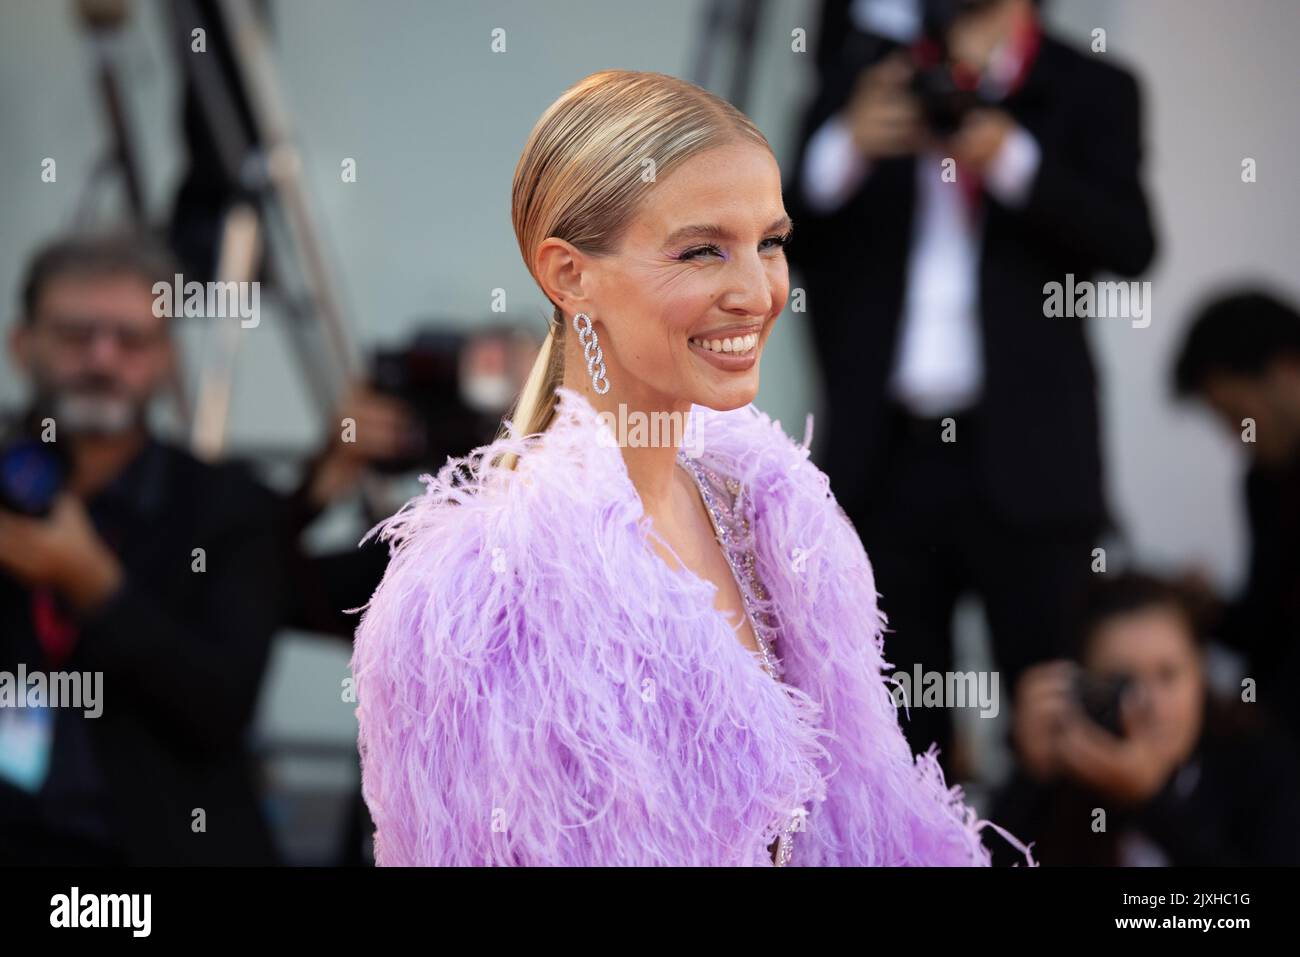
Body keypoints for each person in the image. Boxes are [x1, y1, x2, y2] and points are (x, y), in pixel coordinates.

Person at [349, 69, 1031, 867]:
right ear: (569, 274)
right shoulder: (474, 597)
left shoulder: (776, 519)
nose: (757, 291)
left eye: (770, 243)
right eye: (703, 250)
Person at [782, 0, 1158, 772]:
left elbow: (1132, 240)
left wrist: (1012, 157)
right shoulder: (871, 71)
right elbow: (783, 236)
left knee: (1054, 712)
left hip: (1031, 453)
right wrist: (846, 145)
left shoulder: (1089, 85)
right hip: (889, 455)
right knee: (893, 724)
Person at [0, 232, 283, 864]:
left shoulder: (226, 505)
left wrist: (95, 589)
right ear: (24, 346)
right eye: (76, 336)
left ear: (165, 360)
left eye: (130, 340)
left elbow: (220, 705)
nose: (102, 360)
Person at [990, 571, 1300, 866]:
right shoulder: (1066, 774)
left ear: (1200, 673)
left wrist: (1151, 800)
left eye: (1168, 675)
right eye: (1120, 681)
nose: (1149, 704)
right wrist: (1030, 776)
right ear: (1082, 686)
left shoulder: (1262, 766)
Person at [1171, 288, 1300, 748]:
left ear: (1288, 370)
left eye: (1236, 415)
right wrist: (1209, 613)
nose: (1236, 437)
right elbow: (1268, 627)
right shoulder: (1264, 484)